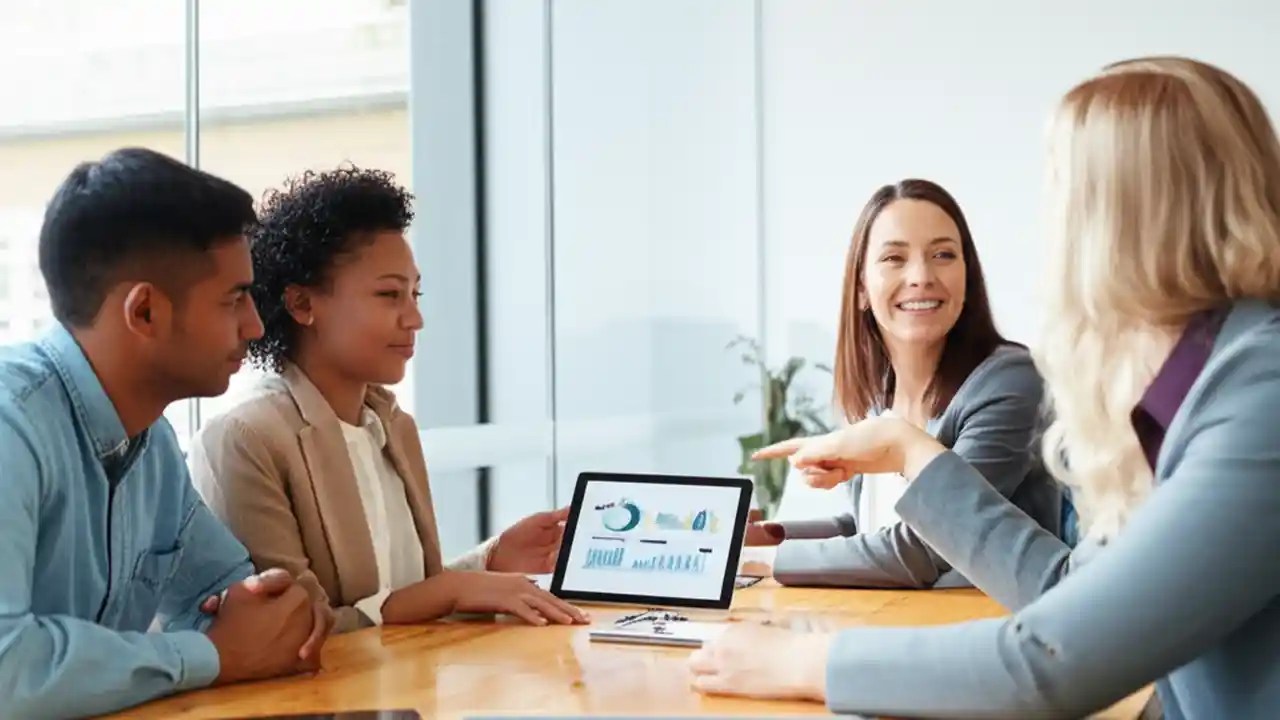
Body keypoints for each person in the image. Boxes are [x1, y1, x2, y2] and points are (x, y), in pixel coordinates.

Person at [689, 56, 1280, 718]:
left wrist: (809, 662)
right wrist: (910, 452)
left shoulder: (1261, 394)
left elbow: (1048, 662)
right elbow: (1065, 590)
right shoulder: (1209, 382)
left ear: (1131, 213)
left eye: (1064, 189)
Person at [0, 148, 332, 720]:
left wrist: (284, 616)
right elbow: (7, 671)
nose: (255, 326)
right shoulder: (12, 429)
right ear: (145, 312)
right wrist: (203, 656)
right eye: (234, 299)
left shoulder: (150, 443)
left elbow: (237, 598)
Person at [190, 167, 588, 631]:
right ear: (302, 305)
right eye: (389, 294)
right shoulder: (245, 439)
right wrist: (455, 588)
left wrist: (490, 560)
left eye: (414, 293)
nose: (414, 318)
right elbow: (296, 629)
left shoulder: (392, 426)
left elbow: (402, 598)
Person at [744, 179, 1061, 588]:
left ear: (968, 278)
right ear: (861, 288)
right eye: (894, 258)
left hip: (984, 637)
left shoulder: (1010, 382)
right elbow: (867, 529)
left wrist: (766, 560)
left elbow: (921, 550)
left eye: (943, 254)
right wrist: (774, 536)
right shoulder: (876, 399)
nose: (921, 276)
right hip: (896, 626)